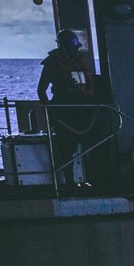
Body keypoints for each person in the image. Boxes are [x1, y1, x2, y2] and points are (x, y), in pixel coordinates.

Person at [37, 29, 100, 188]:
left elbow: (91, 85)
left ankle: (94, 181)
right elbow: (41, 90)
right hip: (64, 111)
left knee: (92, 146)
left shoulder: (82, 62)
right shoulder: (52, 63)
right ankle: (70, 183)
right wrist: (50, 111)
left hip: (85, 111)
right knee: (66, 149)